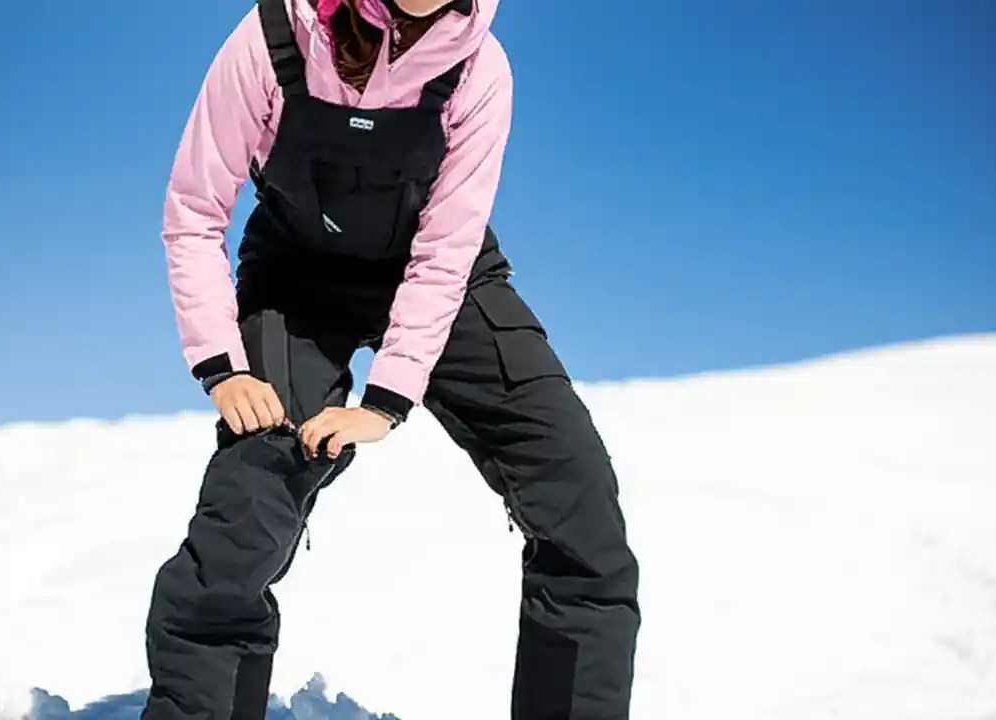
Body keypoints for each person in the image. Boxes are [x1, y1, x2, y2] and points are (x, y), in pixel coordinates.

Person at [141, 1, 640, 717]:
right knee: (250, 501)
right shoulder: (277, 34)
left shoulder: (478, 66)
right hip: (297, 278)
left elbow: (444, 254)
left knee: (577, 492)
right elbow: (193, 211)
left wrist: (387, 398)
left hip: (444, 278)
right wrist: (225, 365)